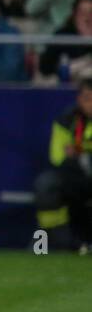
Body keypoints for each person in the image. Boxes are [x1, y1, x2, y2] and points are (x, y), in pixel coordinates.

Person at [33, 77, 92, 253]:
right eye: (87, 98)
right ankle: (53, 244)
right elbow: (57, 156)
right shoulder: (66, 120)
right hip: (74, 177)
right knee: (45, 184)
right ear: (79, 99)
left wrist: (79, 152)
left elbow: (72, 151)